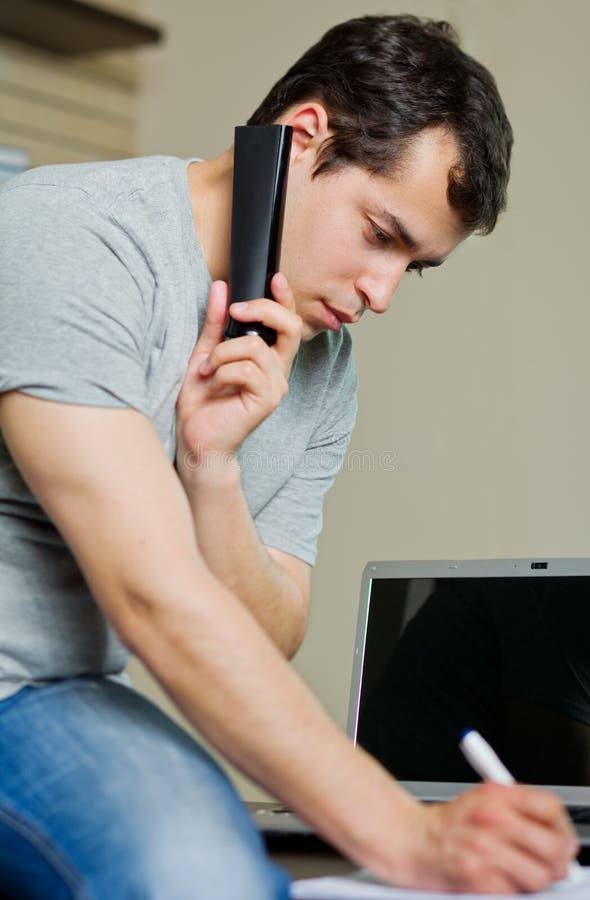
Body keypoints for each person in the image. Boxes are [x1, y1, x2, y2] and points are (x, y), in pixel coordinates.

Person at [0, 13, 578, 899]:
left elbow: (268, 636)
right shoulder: (71, 239)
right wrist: (406, 829)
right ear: (305, 138)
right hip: (14, 689)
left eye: (412, 267)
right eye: (381, 235)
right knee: (196, 874)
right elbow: (151, 597)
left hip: (64, 690)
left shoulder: (322, 361)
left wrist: (214, 474)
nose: (381, 294)